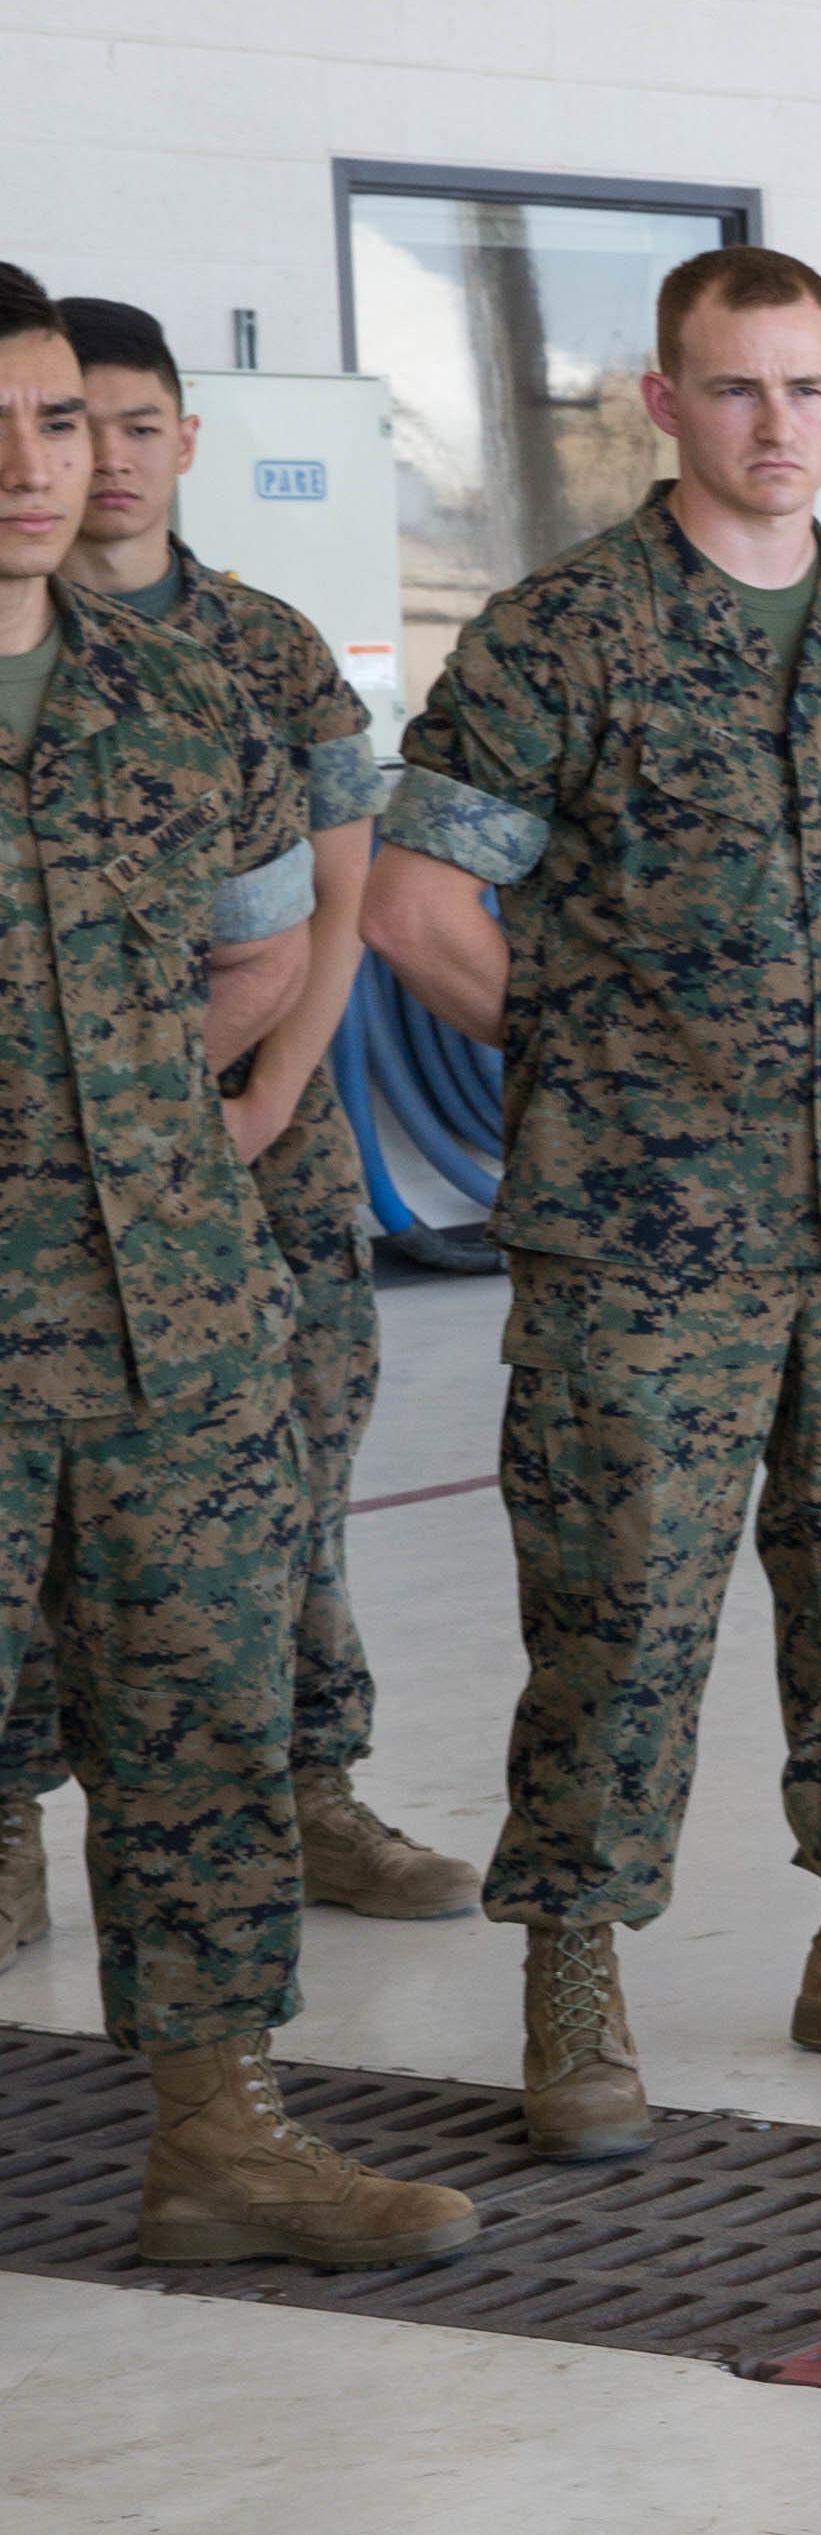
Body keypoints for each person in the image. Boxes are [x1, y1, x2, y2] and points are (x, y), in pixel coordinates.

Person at [362, 243, 821, 2161]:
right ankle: (575, 1973)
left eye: (807, 387)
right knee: (620, 1603)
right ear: (661, 402)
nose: (775, 426)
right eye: (735, 389)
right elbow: (417, 910)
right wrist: (607, 1062)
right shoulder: (563, 637)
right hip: (641, 1234)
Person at [0, 264, 474, 2263]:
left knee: (202, 1723)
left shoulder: (188, 690)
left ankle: (224, 2138)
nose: (35, 470)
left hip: (173, 1305)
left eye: (49, 422)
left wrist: (141, 1087)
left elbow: (271, 939)